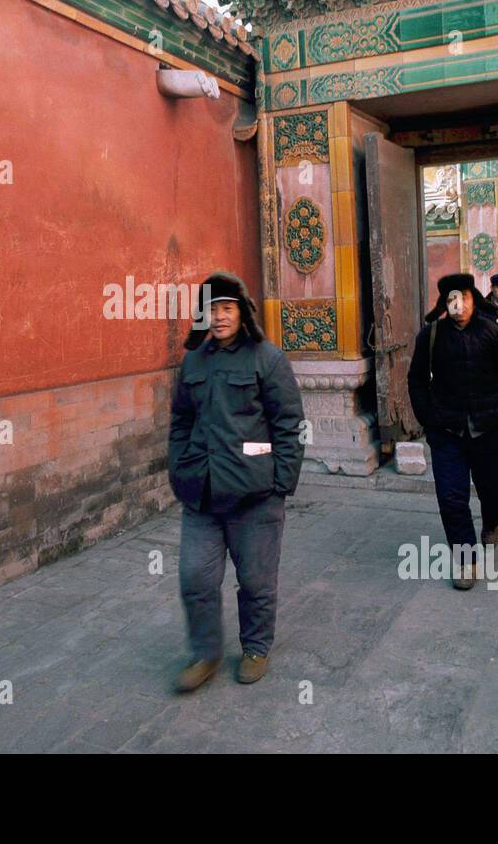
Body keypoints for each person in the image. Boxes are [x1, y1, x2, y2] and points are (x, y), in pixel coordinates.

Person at [168, 271, 304, 692]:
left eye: (227, 308)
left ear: (242, 313)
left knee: (258, 580)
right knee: (195, 577)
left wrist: (280, 483)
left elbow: (289, 424)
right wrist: (181, 468)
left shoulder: (268, 359)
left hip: (255, 498)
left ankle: (256, 647)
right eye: (212, 309)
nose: (220, 316)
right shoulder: (192, 363)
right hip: (203, 497)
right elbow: (180, 421)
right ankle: (205, 654)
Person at [407, 273, 498, 590]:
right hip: (447, 431)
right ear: (446, 304)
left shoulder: (491, 332)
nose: (459, 305)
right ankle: (467, 559)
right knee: (451, 497)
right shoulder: (430, 336)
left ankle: (492, 523)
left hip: (491, 429)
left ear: (474, 299)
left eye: (464, 298)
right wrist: (429, 418)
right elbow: (416, 380)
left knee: (497, 491)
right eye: (452, 299)